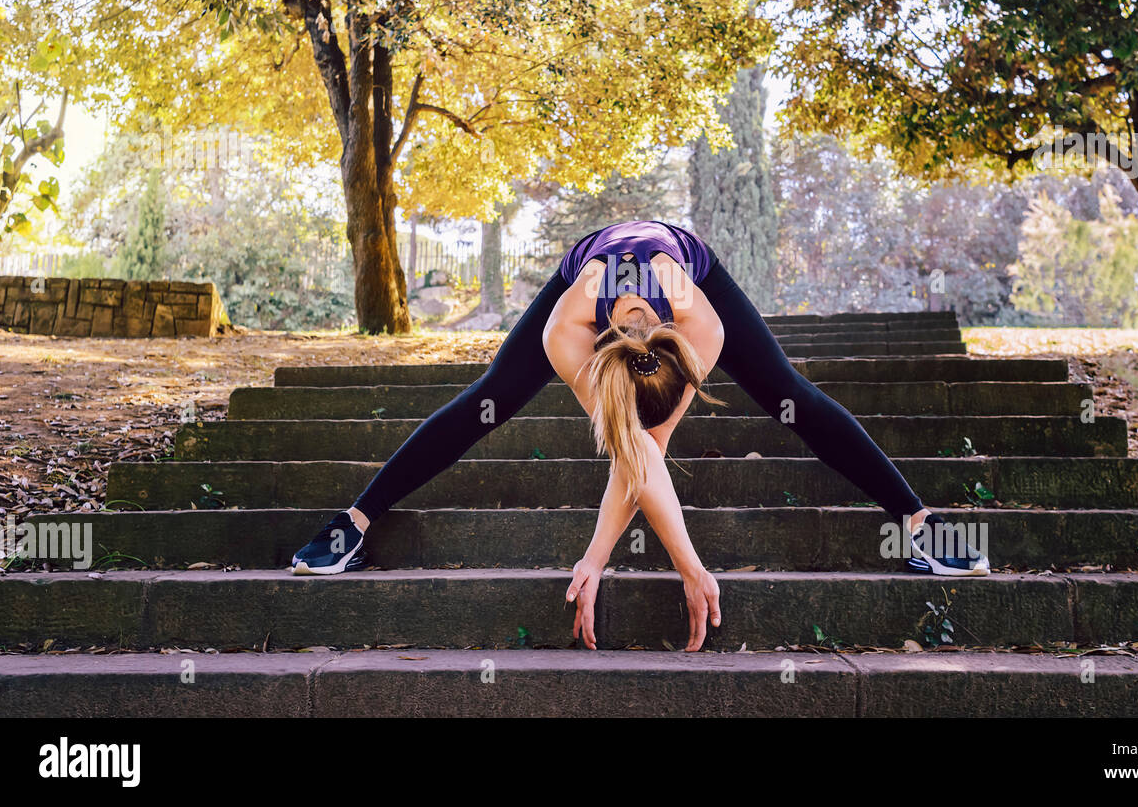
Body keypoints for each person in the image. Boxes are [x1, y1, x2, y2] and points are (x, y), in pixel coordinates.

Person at [290, 219, 989, 651]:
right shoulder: (568, 333)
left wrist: (617, 559)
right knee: (489, 400)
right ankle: (353, 521)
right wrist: (638, 560)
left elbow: (645, 454)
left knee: (793, 397)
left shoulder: (700, 330)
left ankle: (921, 525)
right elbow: (636, 453)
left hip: (683, 257)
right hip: (587, 265)